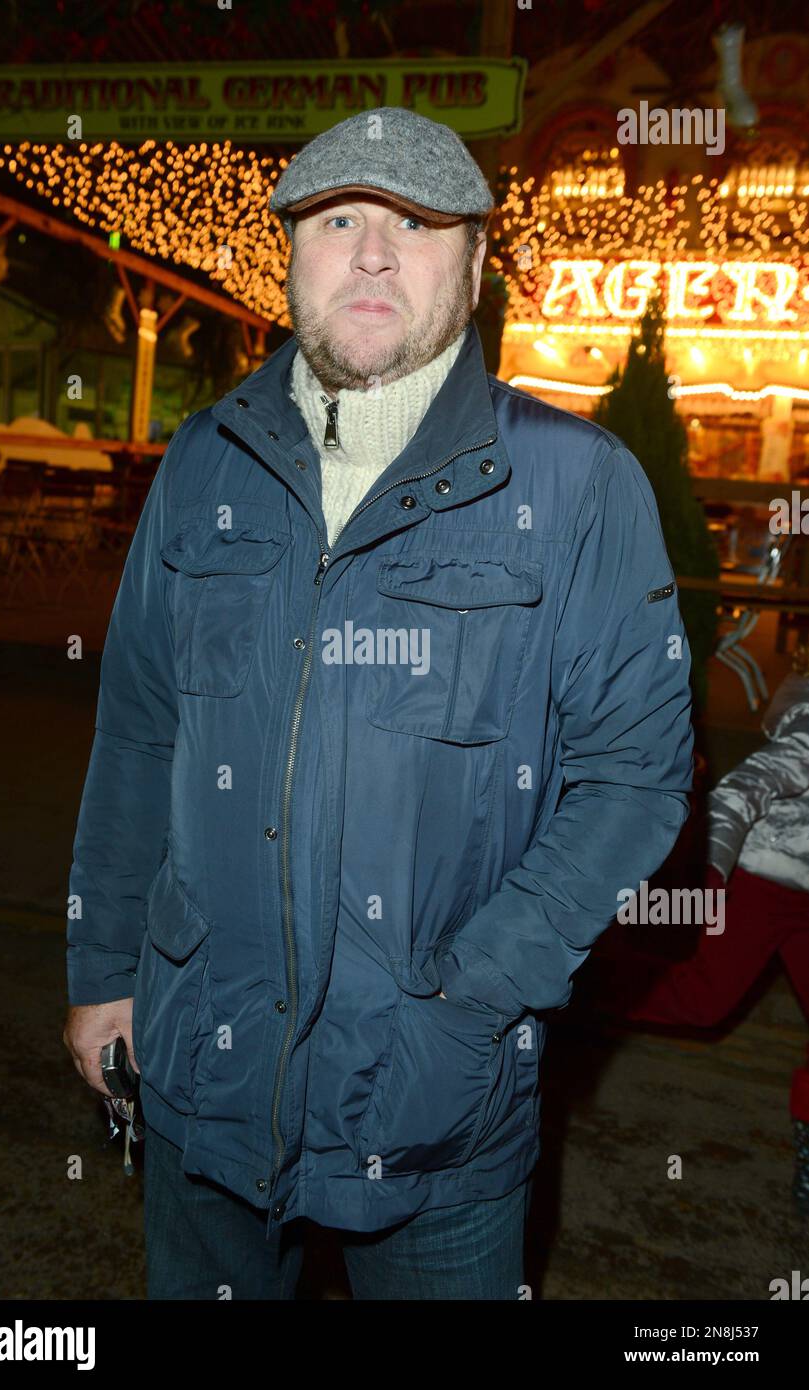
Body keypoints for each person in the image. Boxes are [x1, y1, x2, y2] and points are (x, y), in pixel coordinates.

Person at [62, 105, 694, 1299]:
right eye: (337, 217)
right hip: (204, 1077)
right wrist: (104, 971)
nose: (370, 250)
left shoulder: (575, 488)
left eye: (416, 222)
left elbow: (634, 776)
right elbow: (140, 730)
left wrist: (471, 996)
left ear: (473, 262)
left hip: (437, 1116)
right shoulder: (204, 461)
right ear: (289, 251)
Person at [602, 644, 809, 1216]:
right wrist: (709, 881)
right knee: (700, 1003)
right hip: (766, 875)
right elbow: (740, 793)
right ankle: (579, 986)